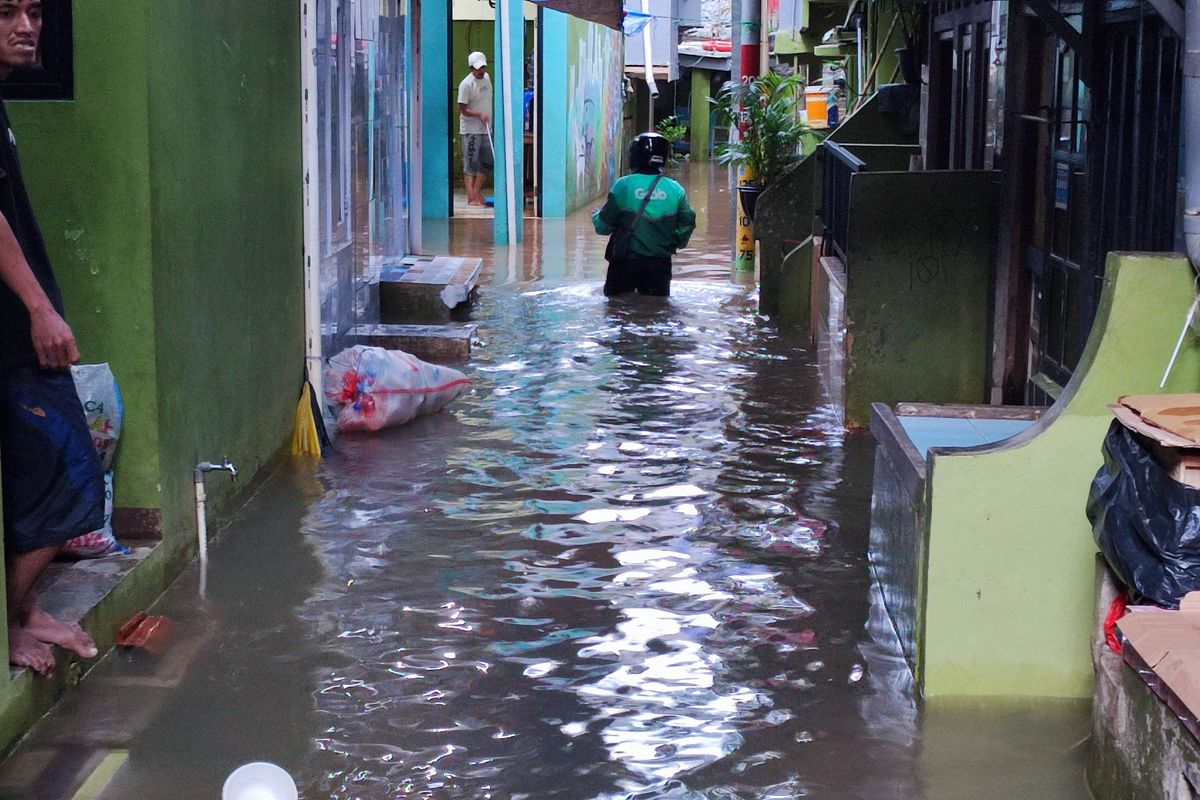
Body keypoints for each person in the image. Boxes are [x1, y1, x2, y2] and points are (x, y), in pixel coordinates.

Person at [0, 0, 104, 676]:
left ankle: (21, 610)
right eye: (6, 11)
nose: (27, 25)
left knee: (40, 478)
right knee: (71, 474)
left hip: (18, 334)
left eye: (35, 11)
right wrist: (39, 307)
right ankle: (9, 622)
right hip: (14, 338)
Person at [593, 132, 696, 297]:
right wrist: (676, 241)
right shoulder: (676, 189)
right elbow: (688, 221)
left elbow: (603, 227)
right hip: (659, 266)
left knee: (617, 310)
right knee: (657, 310)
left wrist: (596, 216)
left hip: (624, 264)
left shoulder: (623, 186)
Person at [457, 51, 493, 207]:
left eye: (483, 67)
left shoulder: (487, 78)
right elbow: (462, 109)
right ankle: (470, 197)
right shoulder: (466, 84)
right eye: (478, 68)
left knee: (488, 161)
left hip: (486, 129)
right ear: (471, 67)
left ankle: (477, 190)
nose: (481, 71)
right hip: (471, 130)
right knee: (470, 162)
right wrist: (479, 115)